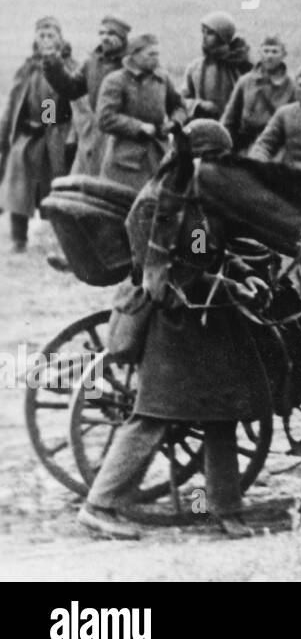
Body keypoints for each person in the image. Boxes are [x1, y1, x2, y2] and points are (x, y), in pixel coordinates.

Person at [77, 119, 273, 540]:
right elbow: (165, 277)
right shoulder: (155, 205)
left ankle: (226, 509)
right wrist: (230, 285)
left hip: (207, 324)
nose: (221, 168)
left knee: (221, 417)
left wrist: (241, 273)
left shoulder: (196, 201)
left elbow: (208, 253)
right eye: (215, 159)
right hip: (170, 324)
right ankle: (99, 505)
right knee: (154, 417)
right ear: (195, 158)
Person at [0, 17, 77, 252]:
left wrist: (46, 122)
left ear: (60, 39)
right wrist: (4, 135)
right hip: (26, 136)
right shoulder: (28, 68)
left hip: (55, 137)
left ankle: (63, 244)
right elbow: (13, 103)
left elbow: (54, 101)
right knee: (17, 187)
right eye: (41, 35)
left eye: (51, 35)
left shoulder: (68, 66)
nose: (45, 40)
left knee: (54, 188)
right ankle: (18, 239)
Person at [41, 14, 131, 177]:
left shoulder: (133, 64)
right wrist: (51, 64)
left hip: (125, 139)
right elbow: (71, 89)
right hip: (94, 138)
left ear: (122, 37)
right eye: (101, 33)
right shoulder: (92, 62)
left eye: (111, 34)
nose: (104, 38)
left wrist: (67, 132)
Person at [96, 34, 188, 192]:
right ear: (134, 55)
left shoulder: (162, 79)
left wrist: (174, 123)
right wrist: (138, 127)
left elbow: (179, 106)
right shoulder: (116, 81)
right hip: (124, 163)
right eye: (151, 54)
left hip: (158, 156)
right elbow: (105, 118)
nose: (156, 59)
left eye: (157, 54)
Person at [221, 35, 295, 153]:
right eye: (266, 51)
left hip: (276, 144)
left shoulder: (292, 85)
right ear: (259, 53)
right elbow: (230, 118)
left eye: (275, 52)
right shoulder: (245, 82)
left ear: (283, 55)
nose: (269, 56)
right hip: (245, 142)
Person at [182, 11, 252, 120]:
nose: (204, 37)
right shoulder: (195, 68)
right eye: (203, 32)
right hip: (203, 126)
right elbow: (181, 101)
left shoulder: (242, 66)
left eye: (210, 33)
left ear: (223, 36)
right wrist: (198, 105)